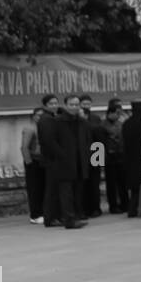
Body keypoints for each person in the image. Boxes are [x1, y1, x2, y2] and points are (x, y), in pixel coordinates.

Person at [39, 94, 90, 230]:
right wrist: (62, 155)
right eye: (71, 105)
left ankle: (75, 216)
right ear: (66, 105)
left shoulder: (82, 122)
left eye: (76, 105)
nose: (74, 107)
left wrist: (93, 160)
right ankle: (69, 220)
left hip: (80, 162)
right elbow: (50, 141)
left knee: (77, 191)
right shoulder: (57, 121)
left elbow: (88, 142)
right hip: (63, 163)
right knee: (65, 192)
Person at [100, 99, 129, 215]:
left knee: (122, 182)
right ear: (109, 113)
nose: (118, 115)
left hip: (120, 155)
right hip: (109, 157)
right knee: (111, 184)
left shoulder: (120, 124)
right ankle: (113, 206)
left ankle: (125, 203)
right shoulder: (102, 125)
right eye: (117, 113)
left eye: (120, 113)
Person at [122, 98, 141, 217]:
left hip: (129, 156)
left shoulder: (127, 123)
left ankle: (135, 208)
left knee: (134, 187)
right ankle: (136, 208)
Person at [78, 95, 105, 218]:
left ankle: (95, 208)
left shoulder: (95, 118)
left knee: (95, 184)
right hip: (82, 156)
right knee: (83, 184)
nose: (86, 106)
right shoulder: (77, 119)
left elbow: (100, 140)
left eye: (88, 104)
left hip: (96, 153)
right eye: (84, 104)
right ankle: (84, 208)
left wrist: (100, 159)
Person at [21, 107, 46, 225]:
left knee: (43, 188)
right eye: (38, 115)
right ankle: (35, 215)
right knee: (34, 189)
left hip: (44, 161)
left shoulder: (45, 127)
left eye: (42, 115)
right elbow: (24, 147)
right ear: (33, 116)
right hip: (33, 162)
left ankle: (43, 212)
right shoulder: (30, 129)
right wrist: (29, 163)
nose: (40, 117)